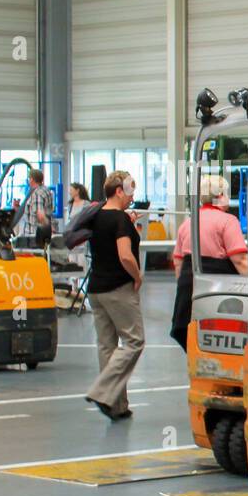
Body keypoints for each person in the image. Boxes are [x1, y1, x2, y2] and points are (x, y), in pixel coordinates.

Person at [84, 172, 144, 421]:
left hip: (96, 288)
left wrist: (128, 222)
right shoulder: (120, 220)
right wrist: (137, 276)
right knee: (134, 341)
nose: (132, 196)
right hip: (117, 289)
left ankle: (116, 404)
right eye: (130, 190)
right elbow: (125, 255)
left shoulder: (98, 215)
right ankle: (102, 391)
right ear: (118, 190)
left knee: (107, 346)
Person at [170, 174, 248, 350]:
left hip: (188, 290)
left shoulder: (188, 222)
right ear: (220, 195)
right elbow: (240, 260)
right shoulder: (228, 221)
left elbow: (178, 263)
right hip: (218, 293)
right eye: (227, 193)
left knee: (193, 343)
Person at [19, 169, 54, 249]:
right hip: (42, 235)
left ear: (31, 179)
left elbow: (40, 214)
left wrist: (48, 227)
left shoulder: (37, 194)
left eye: (29, 178)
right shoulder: (46, 190)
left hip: (34, 235)